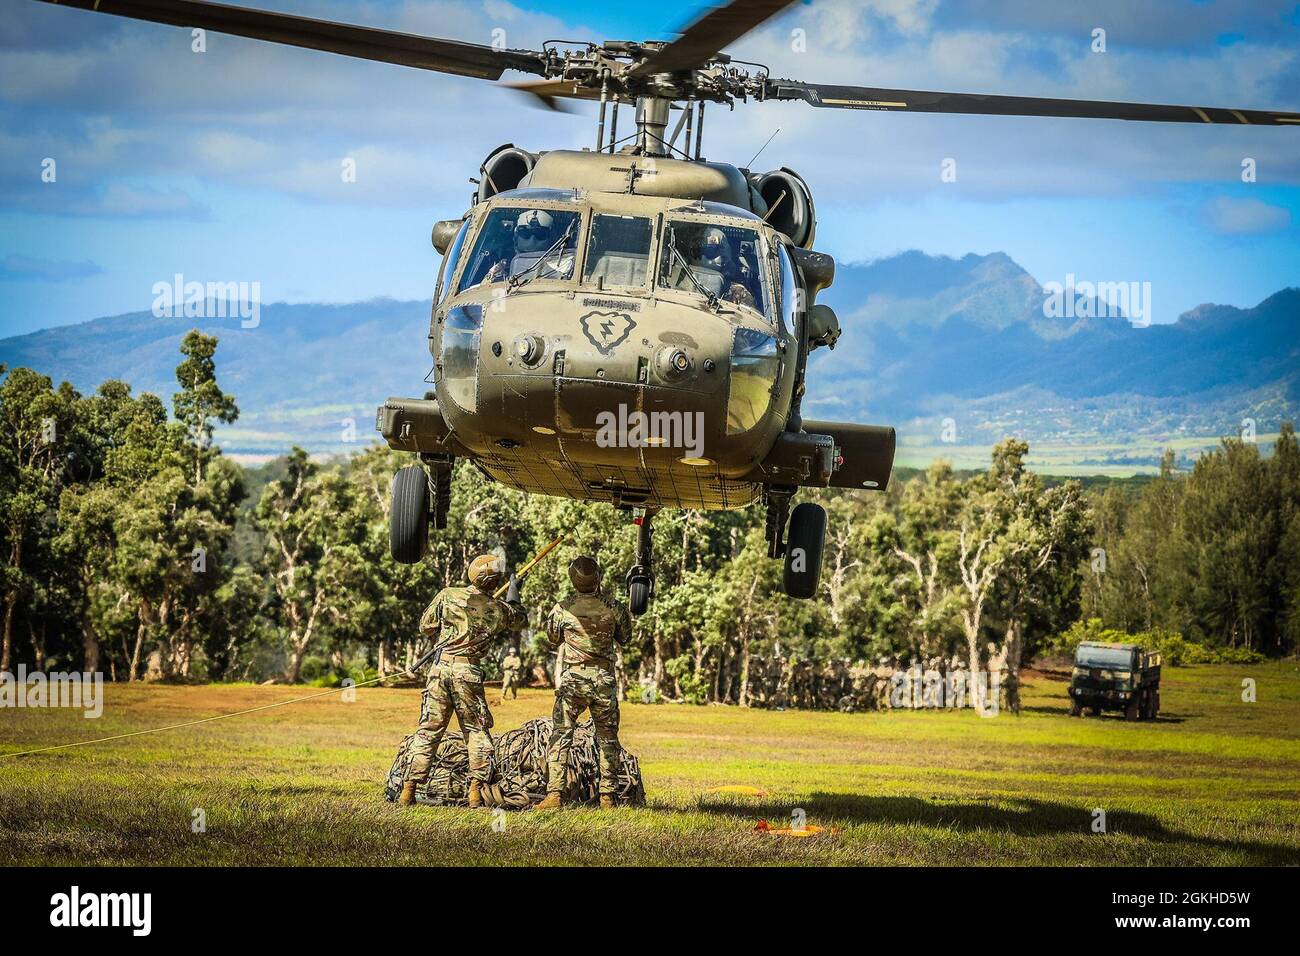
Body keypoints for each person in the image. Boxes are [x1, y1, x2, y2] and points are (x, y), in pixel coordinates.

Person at [398, 553, 527, 808]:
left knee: (428, 730)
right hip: (468, 672)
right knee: (476, 731)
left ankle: (408, 790)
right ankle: (475, 793)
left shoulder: (448, 595)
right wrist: (513, 592)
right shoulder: (498, 609)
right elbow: (520, 620)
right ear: (495, 581)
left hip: (440, 669)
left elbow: (426, 626)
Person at [534, 556, 632, 810]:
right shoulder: (614, 607)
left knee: (561, 735)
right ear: (598, 577)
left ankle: (554, 795)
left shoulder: (562, 608)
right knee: (607, 739)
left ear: (573, 579)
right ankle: (608, 797)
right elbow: (626, 637)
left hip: (573, 681)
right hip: (603, 681)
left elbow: (553, 639)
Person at [484, 208, 574, 284]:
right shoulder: (502, 267)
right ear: (515, 238)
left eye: (540, 233)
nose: (532, 239)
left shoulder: (566, 264)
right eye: (525, 233)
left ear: (552, 238)